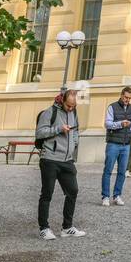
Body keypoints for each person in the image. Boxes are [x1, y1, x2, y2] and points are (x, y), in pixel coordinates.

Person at [36, 88, 85, 240]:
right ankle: (44, 228)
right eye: (69, 105)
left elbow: (76, 130)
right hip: (50, 159)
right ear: (62, 100)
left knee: (73, 191)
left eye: (73, 106)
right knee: (47, 194)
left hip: (67, 160)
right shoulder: (49, 112)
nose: (71, 108)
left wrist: (75, 142)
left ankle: (67, 227)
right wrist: (58, 129)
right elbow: (40, 133)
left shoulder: (73, 112)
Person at [101, 86, 131, 206]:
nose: (127, 100)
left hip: (126, 144)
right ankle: (105, 196)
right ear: (121, 95)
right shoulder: (112, 106)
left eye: (129, 98)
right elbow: (107, 124)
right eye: (126, 97)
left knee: (122, 172)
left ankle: (117, 195)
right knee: (108, 171)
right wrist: (120, 124)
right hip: (113, 144)